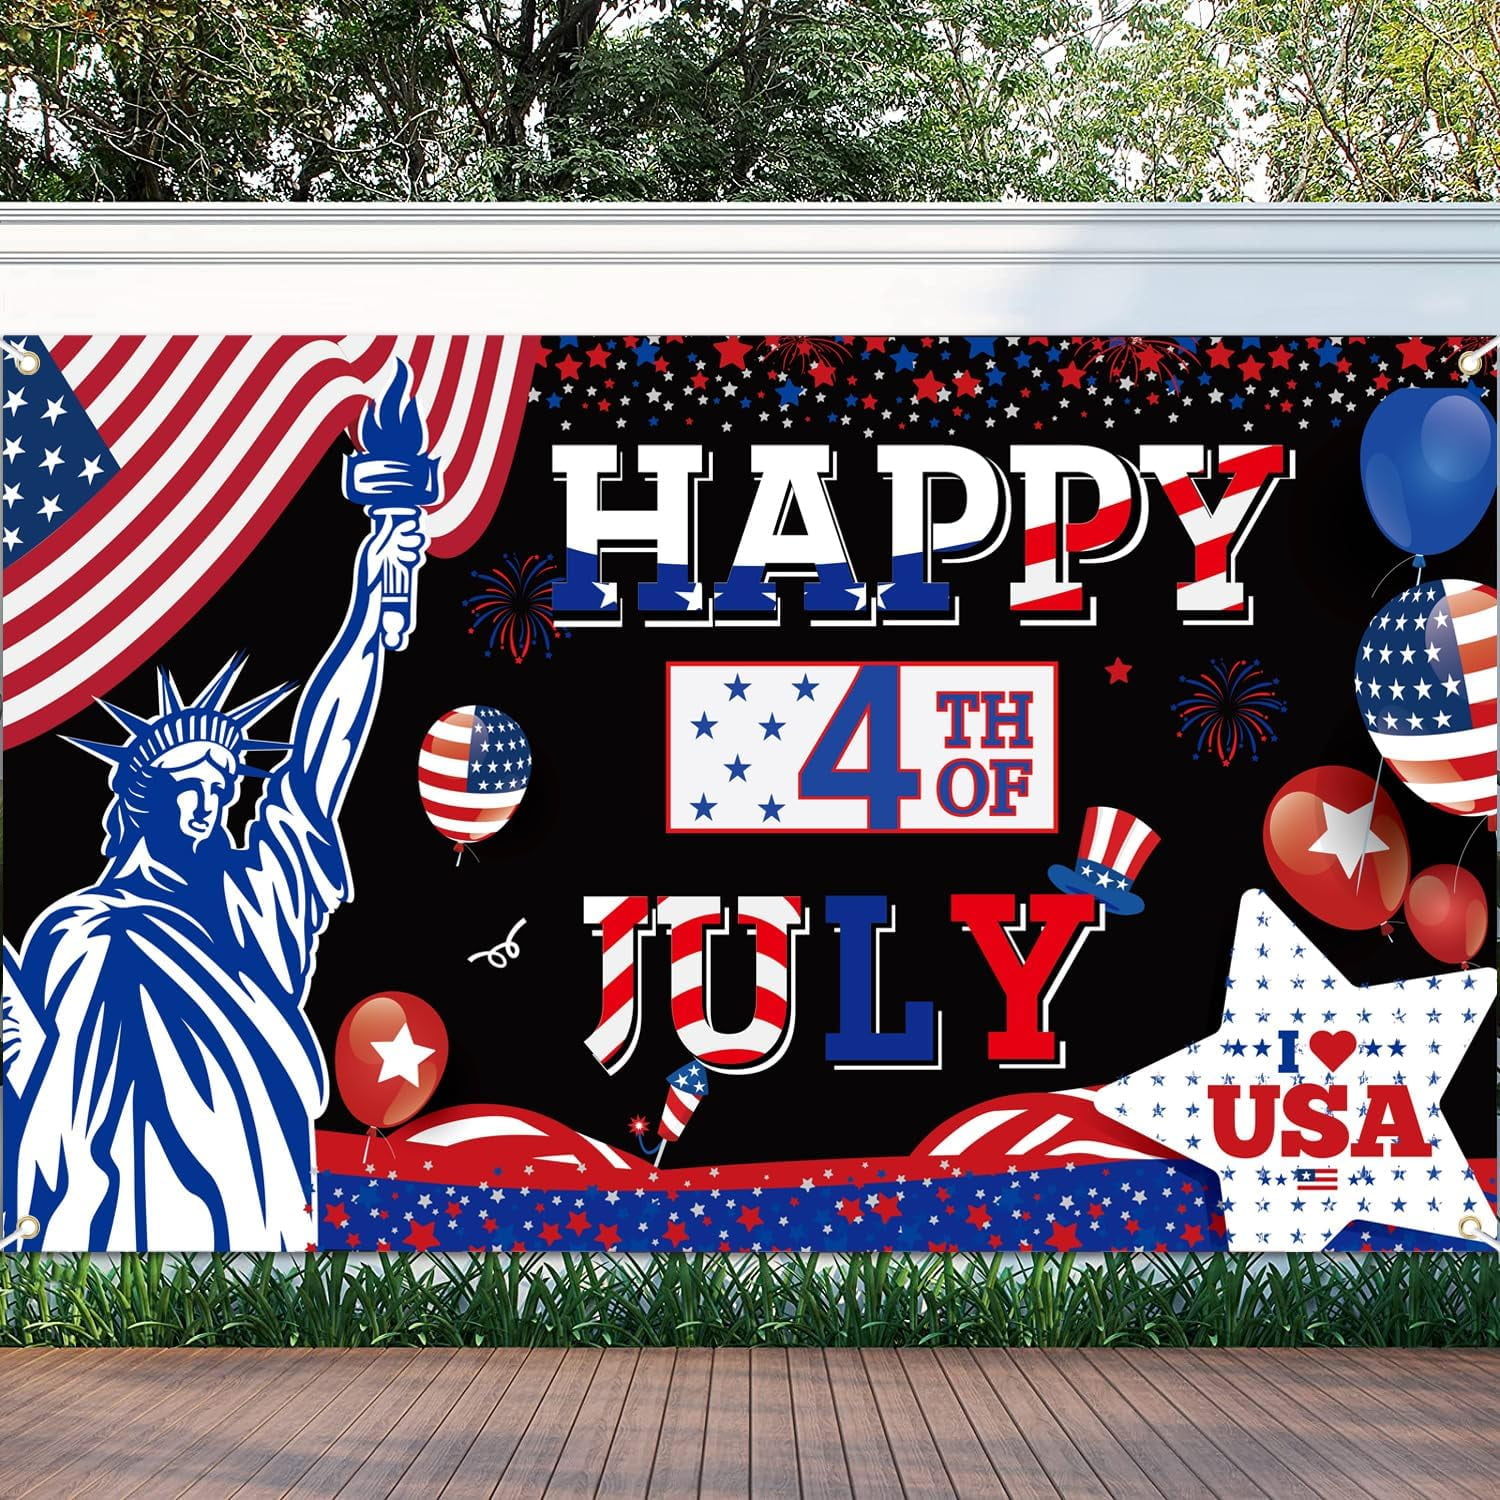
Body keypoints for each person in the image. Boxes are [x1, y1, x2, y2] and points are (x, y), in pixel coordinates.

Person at [3, 508, 424, 1250]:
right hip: (109, 1223)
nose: (212, 802)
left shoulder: (259, 898)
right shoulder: (77, 930)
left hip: (255, 1195)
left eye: (224, 785)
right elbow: (41, 1090)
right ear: (139, 799)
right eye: (187, 784)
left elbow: (320, 763)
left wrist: (365, 618)